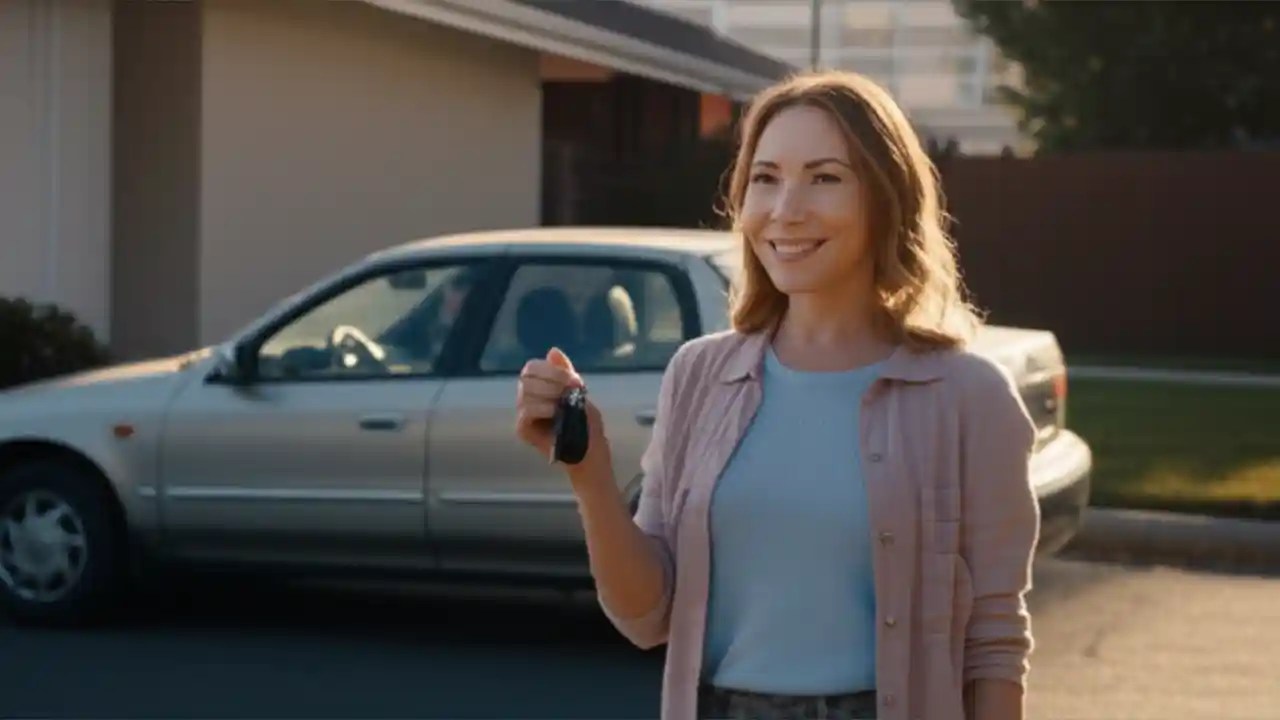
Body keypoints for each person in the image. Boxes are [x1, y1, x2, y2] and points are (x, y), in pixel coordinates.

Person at [514, 70, 1039, 720]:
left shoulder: (968, 397)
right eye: (765, 178)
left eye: (824, 177)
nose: (786, 209)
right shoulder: (699, 377)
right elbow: (646, 617)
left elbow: (995, 640)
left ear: (886, 198)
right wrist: (589, 474)